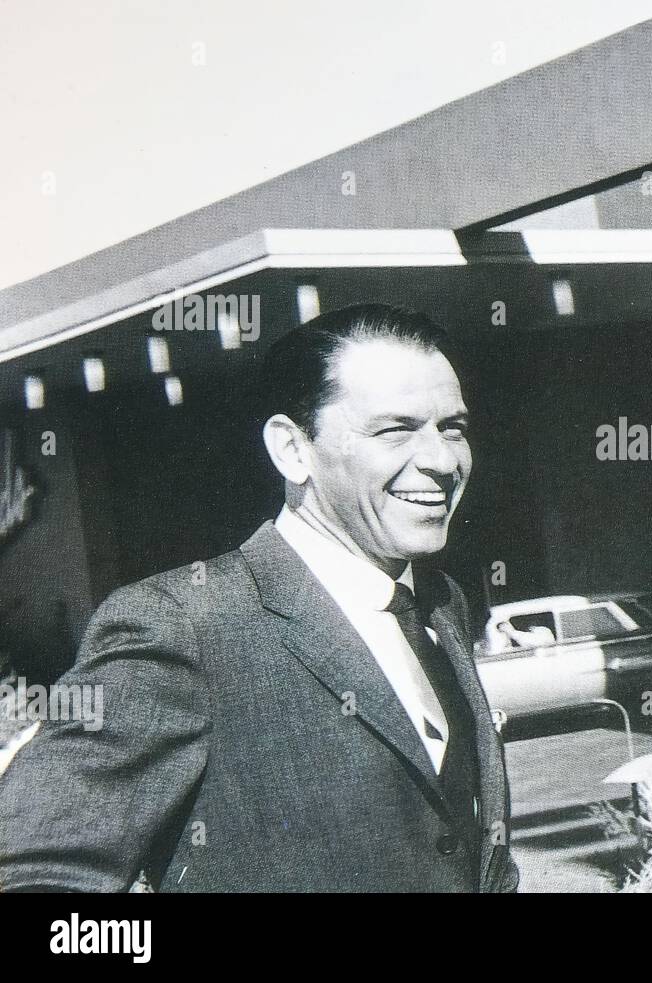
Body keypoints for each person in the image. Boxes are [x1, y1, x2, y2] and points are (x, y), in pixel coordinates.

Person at [0, 304, 517, 892]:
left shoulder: (440, 604)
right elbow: (33, 875)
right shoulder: (182, 627)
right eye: (394, 429)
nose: (443, 461)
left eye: (453, 428)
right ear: (293, 451)